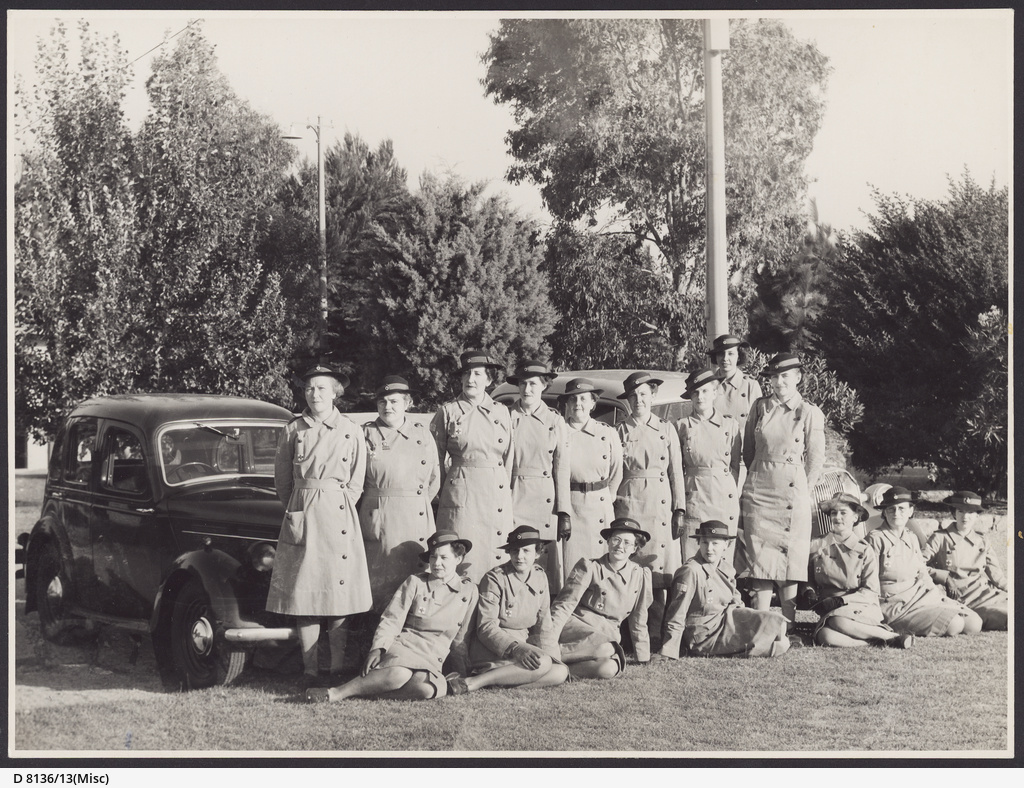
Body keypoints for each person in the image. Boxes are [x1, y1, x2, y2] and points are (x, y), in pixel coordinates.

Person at [267, 362, 372, 688]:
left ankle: (337, 668)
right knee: (306, 594)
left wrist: (336, 505)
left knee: (339, 594)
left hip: (338, 516)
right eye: (310, 388)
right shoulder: (293, 429)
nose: (315, 394)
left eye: (322, 388)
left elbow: (357, 480)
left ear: (336, 393)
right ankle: (310, 669)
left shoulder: (351, 430)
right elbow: (282, 481)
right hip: (304, 516)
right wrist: (300, 508)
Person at [306, 532, 478, 703]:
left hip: (433, 655)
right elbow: (391, 619)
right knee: (399, 673)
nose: (436, 563)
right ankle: (337, 693)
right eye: (433, 557)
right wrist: (378, 648)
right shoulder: (415, 583)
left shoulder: (469, 591)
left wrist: (461, 670)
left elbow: (462, 636)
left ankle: (369, 690)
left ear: (458, 559)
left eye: (443, 558)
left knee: (426, 689)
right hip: (405, 646)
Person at [736, 352, 826, 625]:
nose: (778, 382)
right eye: (774, 376)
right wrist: (760, 476)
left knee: (790, 563)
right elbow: (749, 451)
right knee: (760, 561)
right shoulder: (760, 407)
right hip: (760, 491)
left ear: (797, 378)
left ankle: (789, 623)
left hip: (792, 494)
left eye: (784, 376)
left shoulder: (810, 412)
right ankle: (762, 623)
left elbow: (815, 459)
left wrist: (801, 488)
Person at [448, 526, 568, 695]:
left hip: (523, 644)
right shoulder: (495, 578)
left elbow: (544, 624)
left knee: (559, 672)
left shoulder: (540, 577)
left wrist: (555, 658)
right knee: (544, 663)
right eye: (514, 551)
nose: (519, 557)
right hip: (494, 647)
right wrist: (516, 649)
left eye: (526, 551)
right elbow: (486, 627)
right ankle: (473, 681)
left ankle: (492, 683)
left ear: (538, 553)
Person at [430, 350, 513, 582]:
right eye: (466, 374)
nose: (470, 379)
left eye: (477, 374)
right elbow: (434, 461)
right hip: (461, 493)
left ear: (488, 379)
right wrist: (450, 486)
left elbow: (509, 458)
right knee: (463, 557)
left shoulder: (502, 411)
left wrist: (503, 490)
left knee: (496, 555)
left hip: (496, 493)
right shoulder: (448, 412)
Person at [614, 370, 685, 641]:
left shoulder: (666, 429)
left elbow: (676, 472)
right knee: (631, 569)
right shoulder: (620, 430)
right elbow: (614, 472)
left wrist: (679, 508)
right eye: (633, 396)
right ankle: (630, 633)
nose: (639, 400)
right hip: (630, 502)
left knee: (659, 572)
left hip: (660, 505)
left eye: (643, 394)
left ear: (652, 396)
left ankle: (656, 632)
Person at [359, 375, 440, 612]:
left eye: (394, 401)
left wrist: (417, 502)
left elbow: (434, 478)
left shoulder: (422, 434)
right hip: (379, 520)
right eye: (382, 402)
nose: (388, 407)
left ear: (408, 403)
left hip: (415, 518)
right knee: (380, 586)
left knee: (417, 580)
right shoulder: (366, 434)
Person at [658, 520, 791, 658]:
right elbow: (677, 613)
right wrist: (669, 650)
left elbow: (736, 600)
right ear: (698, 543)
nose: (709, 548)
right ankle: (750, 649)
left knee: (779, 624)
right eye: (704, 542)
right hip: (704, 635)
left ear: (726, 545)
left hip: (727, 622)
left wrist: (748, 619)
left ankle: (753, 644)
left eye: (715, 543)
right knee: (780, 646)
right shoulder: (691, 571)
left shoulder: (726, 568)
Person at [864, 487, 983, 637]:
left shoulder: (911, 537)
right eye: (891, 509)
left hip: (921, 595)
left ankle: (936, 610)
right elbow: (868, 580)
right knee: (955, 625)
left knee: (974, 623)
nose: (896, 514)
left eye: (901, 509)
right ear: (884, 512)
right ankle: (900, 625)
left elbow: (922, 571)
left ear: (910, 511)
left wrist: (936, 595)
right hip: (896, 605)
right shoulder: (875, 539)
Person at [550, 518, 653, 679]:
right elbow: (564, 605)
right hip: (578, 627)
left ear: (634, 548)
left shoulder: (640, 575)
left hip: (609, 634)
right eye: (616, 540)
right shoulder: (589, 567)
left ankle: (558, 669)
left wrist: (642, 656)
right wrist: (548, 641)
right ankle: (550, 658)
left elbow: (639, 617)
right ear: (608, 541)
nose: (620, 546)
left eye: (627, 542)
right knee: (607, 649)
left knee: (609, 669)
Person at [810, 493, 913, 648]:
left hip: (860, 606)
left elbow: (871, 590)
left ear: (855, 517)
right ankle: (872, 642)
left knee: (838, 620)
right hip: (828, 608)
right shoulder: (818, 545)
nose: (837, 517)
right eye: (833, 513)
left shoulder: (865, 550)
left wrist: (841, 601)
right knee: (825, 636)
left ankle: (891, 636)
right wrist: (809, 592)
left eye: (843, 513)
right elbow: (808, 579)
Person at [507, 360, 572, 591]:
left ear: (544, 386)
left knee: (544, 570)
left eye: (533, 384)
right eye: (523, 384)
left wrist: (564, 511)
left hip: (545, 502)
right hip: (513, 496)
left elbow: (562, 468)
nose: (527, 390)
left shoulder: (555, 421)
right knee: (515, 562)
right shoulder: (506, 417)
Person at [676, 366, 742, 564]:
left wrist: (732, 493)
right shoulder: (681, 426)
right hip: (695, 498)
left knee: (722, 560)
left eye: (705, 391)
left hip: (723, 500)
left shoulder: (731, 426)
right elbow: (677, 470)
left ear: (715, 392)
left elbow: (737, 466)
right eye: (695, 392)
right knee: (693, 558)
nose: (700, 397)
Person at [559, 378, 623, 577]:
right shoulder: (560, 431)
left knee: (601, 567)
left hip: (599, 506)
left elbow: (616, 470)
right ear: (567, 404)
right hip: (570, 505)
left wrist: (605, 497)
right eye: (573, 400)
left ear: (593, 403)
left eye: (583, 399)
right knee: (571, 567)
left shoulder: (607, 433)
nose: (578, 404)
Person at [921, 491, 1007, 631]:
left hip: (986, 593)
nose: (965, 516)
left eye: (970, 512)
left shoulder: (982, 541)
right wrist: (944, 577)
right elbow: (918, 566)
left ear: (976, 516)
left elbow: (997, 575)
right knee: (1009, 618)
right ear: (953, 513)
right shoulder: (940, 538)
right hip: (964, 601)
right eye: (960, 511)